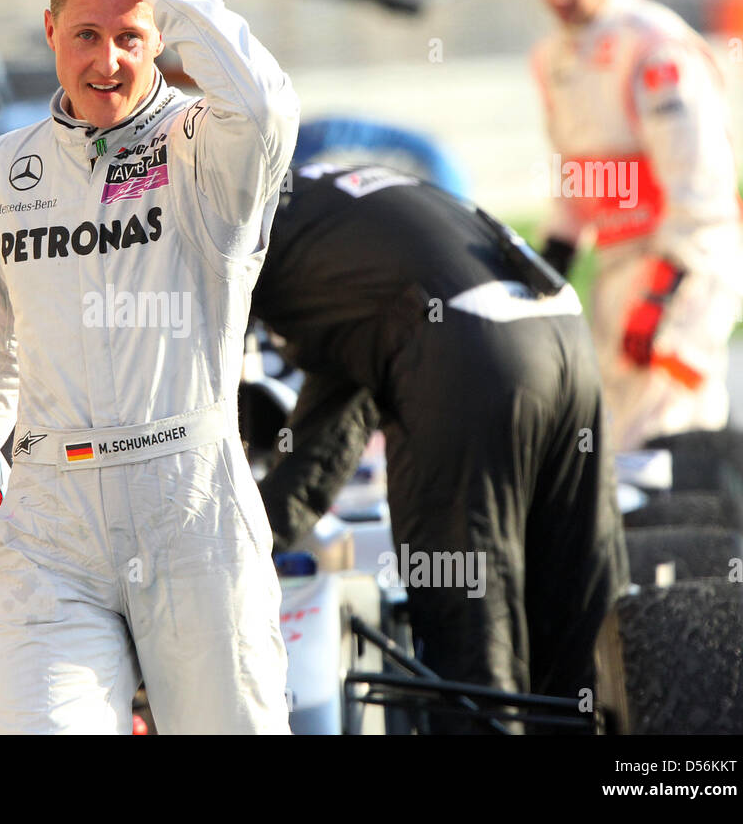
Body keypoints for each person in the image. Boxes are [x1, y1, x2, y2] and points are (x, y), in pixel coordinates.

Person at [0, 0, 299, 734]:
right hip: (52, 518)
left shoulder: (207, 150)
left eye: (132, 37)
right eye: (87, 34)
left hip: (191, 502)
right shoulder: (2, 168)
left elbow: (265, 102)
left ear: (160, 38)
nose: (108, 62)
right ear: (51, 27)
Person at [252, 163, 629, 733]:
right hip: (562, 332)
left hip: (471, 350)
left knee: (469, 626)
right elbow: (336, 414)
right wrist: (263, 531)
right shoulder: (328, 196)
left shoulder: (222, 221)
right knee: (581, 621)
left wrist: (230, 545)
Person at [531, 0, 743, 451]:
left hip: (685, 266)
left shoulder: (655, 47)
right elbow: (578, 173)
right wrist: (551, 258)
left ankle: (715, 531)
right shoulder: (552, 57)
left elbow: (701, 191)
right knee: (621, 441)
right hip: (617, 271)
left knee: (667, 433)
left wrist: (662, 295)